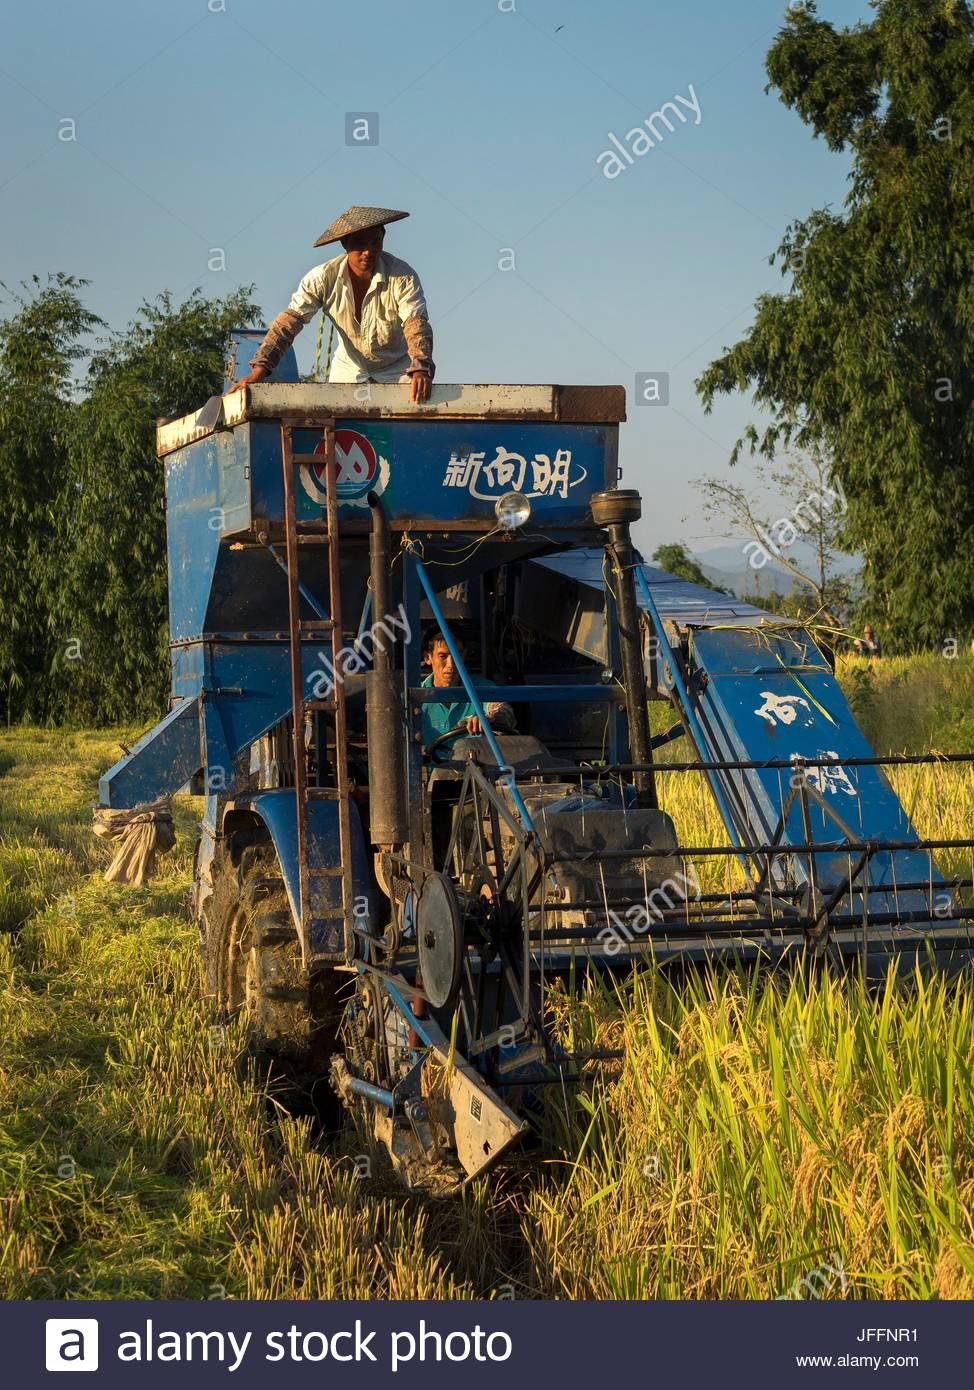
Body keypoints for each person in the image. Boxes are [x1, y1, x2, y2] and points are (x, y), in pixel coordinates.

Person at [228, 205, 434, 404]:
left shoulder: (402, 275)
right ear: (345, 244)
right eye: (360, 244)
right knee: (340, 432)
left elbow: (415, 323)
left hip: (398, 369)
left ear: (383, 239)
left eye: (375, 242)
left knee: (408, 418)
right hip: (349, 369)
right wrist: (258, 372)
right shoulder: (322, 277)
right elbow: (288, 324)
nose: (368, 252)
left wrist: (421, 367)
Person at [420, 626, 515, 750]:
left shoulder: (484, 688)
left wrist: (490, 718)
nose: (451, 665)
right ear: (428, 658)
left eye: (457, 655)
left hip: (478, 768)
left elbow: (505, 712)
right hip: (433, 769)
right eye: (443, 656)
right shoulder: (416, 697)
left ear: (464, 655)